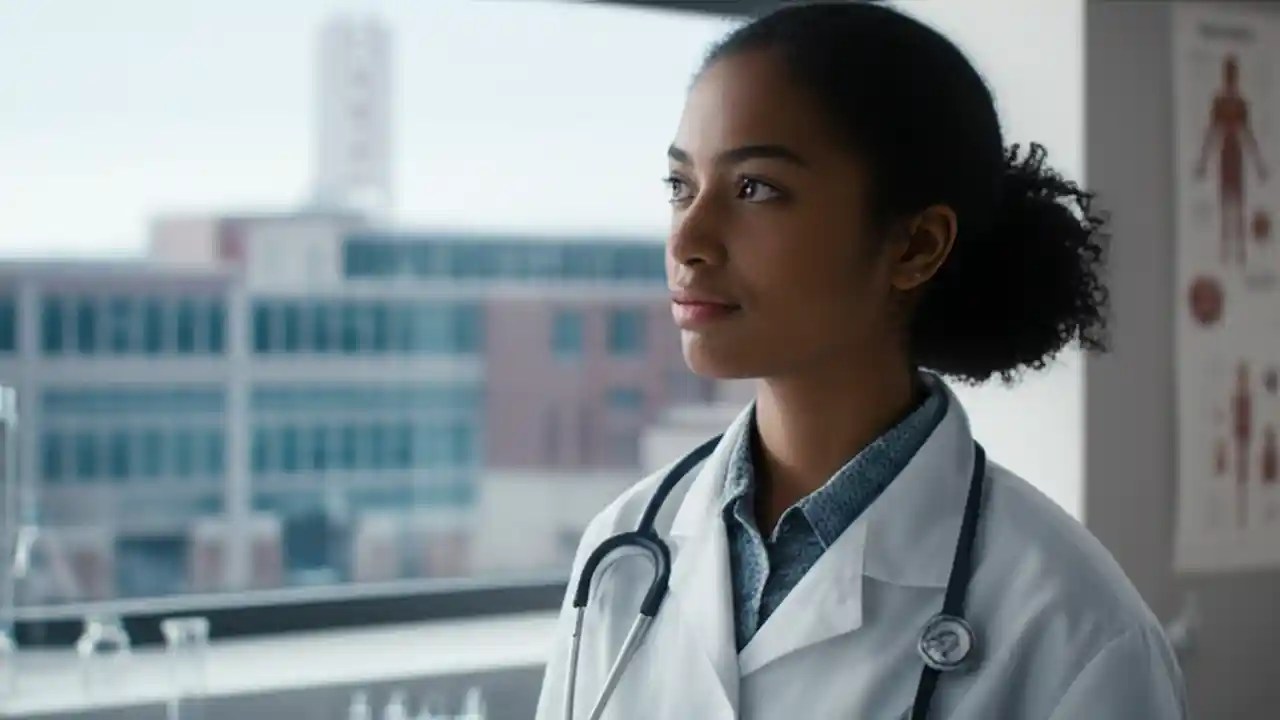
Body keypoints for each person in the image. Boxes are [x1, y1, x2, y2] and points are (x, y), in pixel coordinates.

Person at [536, 3, 1187, 719]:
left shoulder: (1078, 628)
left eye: (756, 188)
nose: (687, 241)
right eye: (680, 187)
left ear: (915, 246)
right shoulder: (622, 549)